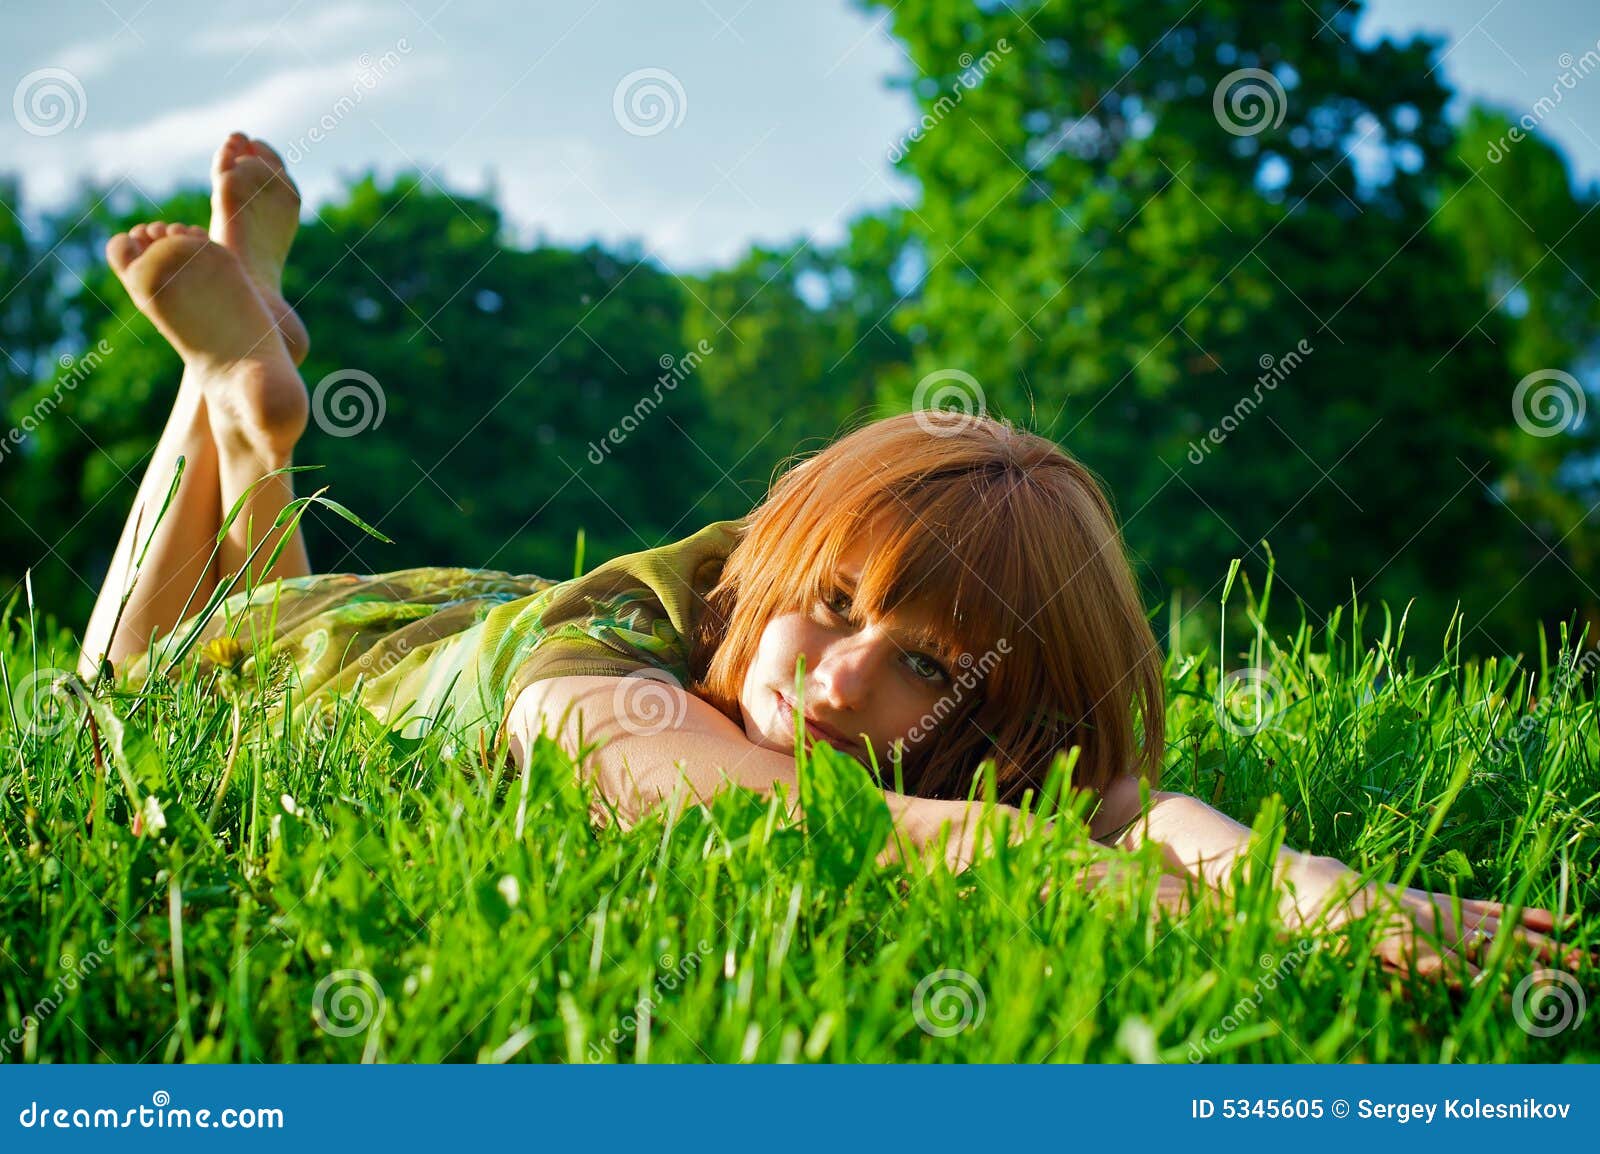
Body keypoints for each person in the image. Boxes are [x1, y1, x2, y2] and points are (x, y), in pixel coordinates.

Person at [81, 133, 1578, 985]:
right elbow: (757, 821)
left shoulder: (863, 624)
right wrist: (1059, 870)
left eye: (928, 661)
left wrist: (1290, 874)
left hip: (447, 611)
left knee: (255, 563)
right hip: (388, 657)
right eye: (841, 608)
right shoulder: (620, 669)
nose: (848, 673)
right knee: (129, 673)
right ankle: (214, 392)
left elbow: (1114, 790)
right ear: (786, 559)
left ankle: (248, 391)